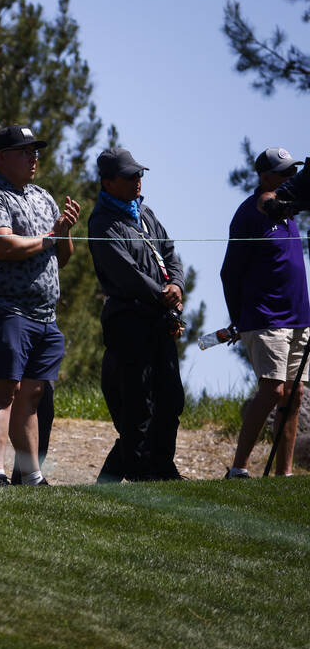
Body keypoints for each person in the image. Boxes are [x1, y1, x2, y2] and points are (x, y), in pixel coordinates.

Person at [0, 125, 81, 487]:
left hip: (44, 314)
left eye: (36, 151)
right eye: (25, 151)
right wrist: (50, 237)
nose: (34, 157)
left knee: (33, 393)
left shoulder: (42, 196)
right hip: (4, 308)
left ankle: (30, 474)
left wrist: (65, 232)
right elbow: (3, 246)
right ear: (2, 157)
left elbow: (64, 257)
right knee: (4, 390)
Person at [88, 148, 186, 482]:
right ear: (108, 182)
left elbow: (170, 252)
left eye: (139, 175)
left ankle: (161, 466)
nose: (137, 182)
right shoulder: (102, 223)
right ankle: (136, 473)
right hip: (129, 321)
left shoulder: (145, 214)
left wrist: (177, 286)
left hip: (159, 318)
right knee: (138, 405)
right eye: (129, 177)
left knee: (171, 399)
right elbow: (126, 273)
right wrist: (164, 295)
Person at [222, 147, 309, 478]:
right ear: (265, 176)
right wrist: (238, 319)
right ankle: (239, 467)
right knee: (272, 389)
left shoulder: (287, 210)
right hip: (265, 317)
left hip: (299, 316)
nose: (291, 178)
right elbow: (230, 272)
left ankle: (283, 474)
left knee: (295, 392)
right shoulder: (248, 214)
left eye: (293, 172)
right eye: (285, 173)